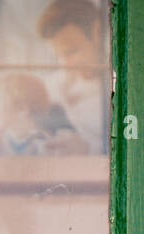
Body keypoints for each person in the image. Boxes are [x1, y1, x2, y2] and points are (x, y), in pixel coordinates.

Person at [36, 0, 106, 154]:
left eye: (71, 52)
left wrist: (87, 150)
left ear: (97, 33)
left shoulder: (119, 87)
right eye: (59, 56)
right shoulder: (52, 85)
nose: (66, 65)